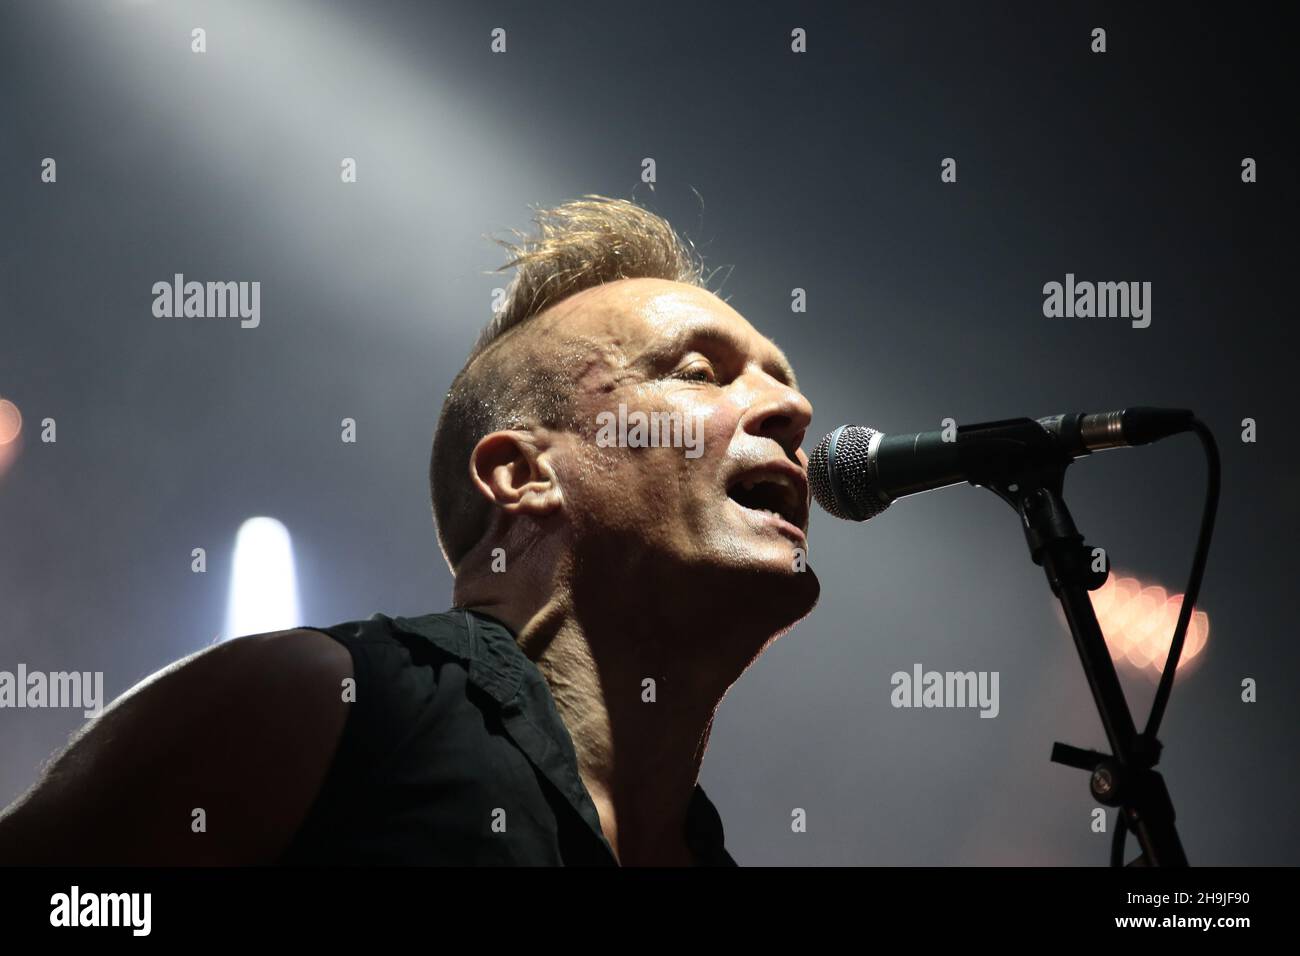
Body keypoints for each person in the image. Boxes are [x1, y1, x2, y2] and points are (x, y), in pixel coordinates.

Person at [0, 196, 819, 866]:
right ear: (523, 475)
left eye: (780, 382)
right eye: (697, 372)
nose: (794, 411)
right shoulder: (318, 704)